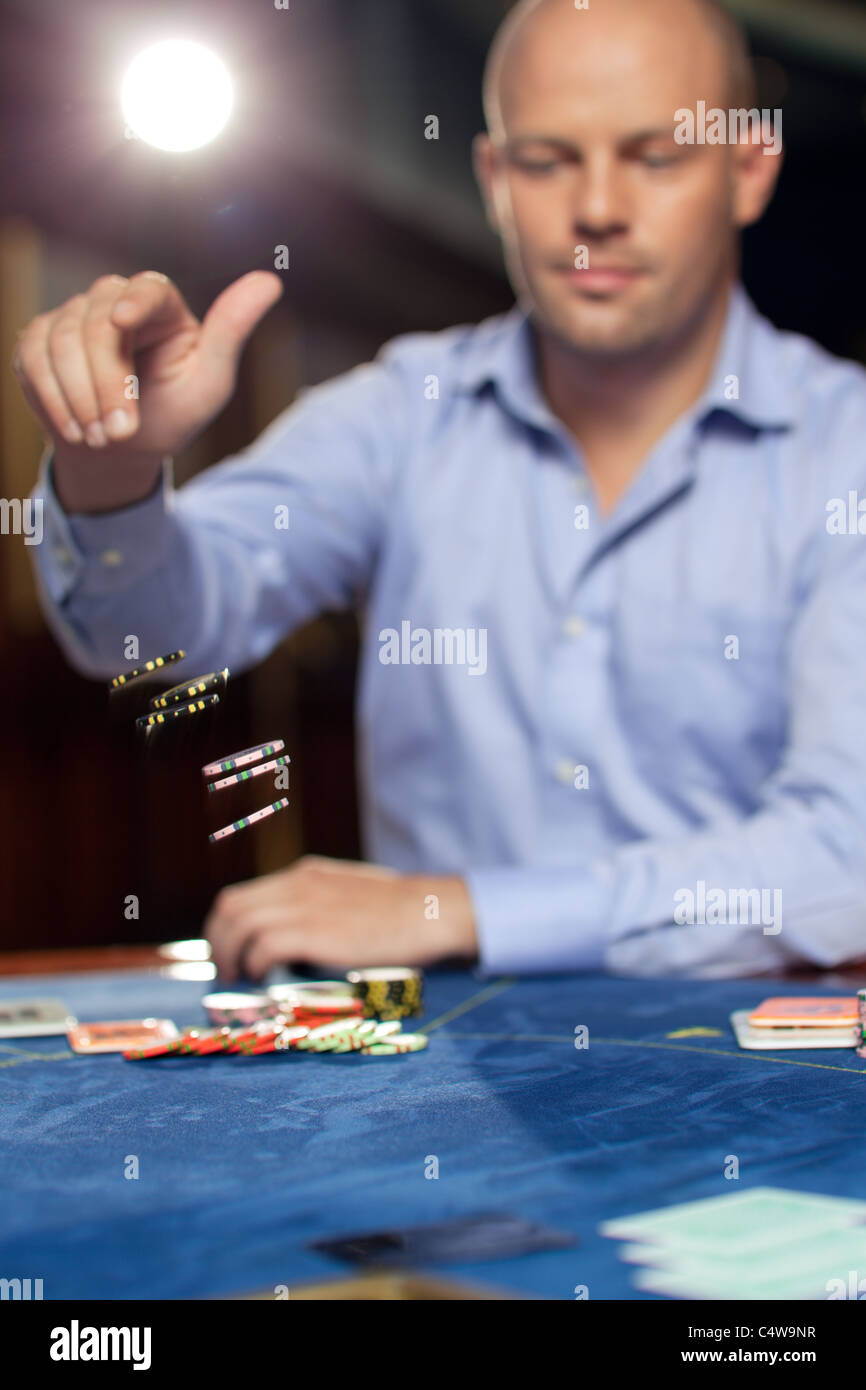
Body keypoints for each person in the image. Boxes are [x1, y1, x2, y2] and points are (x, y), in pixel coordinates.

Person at [14, 0, 866, 982]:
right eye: (546, 159)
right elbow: (146, 639)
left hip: (755, 1095)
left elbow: (844, 857)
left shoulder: (845, 452)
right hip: (430, 1084)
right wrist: (112, 470)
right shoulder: (398, 416)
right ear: (494, 180)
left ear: (747, 168)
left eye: (655, 156)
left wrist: (459, 910)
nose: (596, 208)